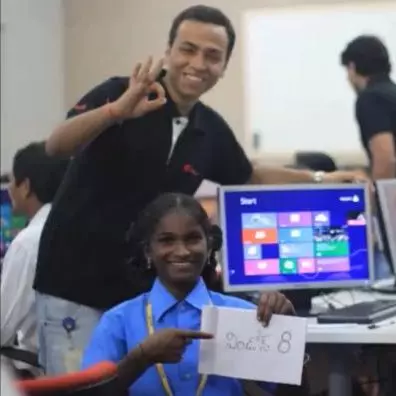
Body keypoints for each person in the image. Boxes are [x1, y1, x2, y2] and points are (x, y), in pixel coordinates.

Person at [34, 4, 365, 375]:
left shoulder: (208, 129)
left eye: (212, 56)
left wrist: (322, 179)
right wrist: (116, 112)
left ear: (223, 67)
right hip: (74, 285)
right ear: (169, 51)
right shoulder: (121, 92)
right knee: (83, 387)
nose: (197, 63)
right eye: (188, 49)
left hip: (137, 292)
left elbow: (249, 175)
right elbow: (56, 146)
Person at [82, 192, 296, 395]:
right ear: (148, 250)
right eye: (167, 240)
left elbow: (292, 394)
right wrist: (140, 359)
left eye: (193, 238)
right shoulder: (118, 321)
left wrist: (288, 331)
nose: (182, 251)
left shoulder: (246, 315)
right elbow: (89, 395)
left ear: (210, 245)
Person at [1, 142, 69, 376]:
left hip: (36, 373)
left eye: (12, 180)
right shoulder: (73, 228)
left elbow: (2, 327)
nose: (8, 188)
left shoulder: (28, 243)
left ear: (26, 186)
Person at [341, 35, 396, 180]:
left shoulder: (371, 98)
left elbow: (386, 159)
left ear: (352, 67)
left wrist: (376, 198)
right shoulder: (392, 93)